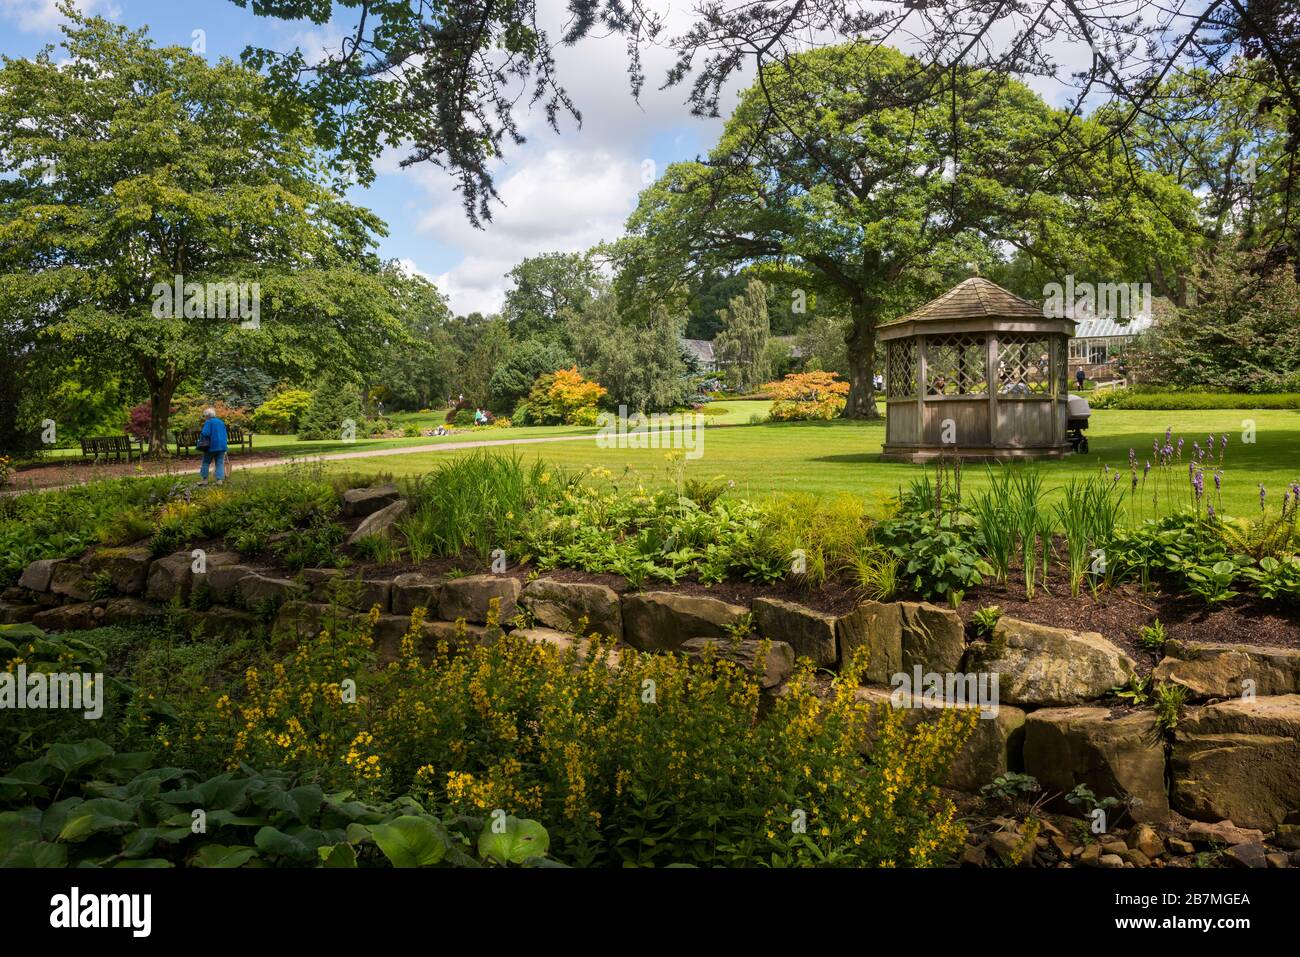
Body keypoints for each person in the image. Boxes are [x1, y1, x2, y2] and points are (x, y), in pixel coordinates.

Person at [196, 407, 229, 486]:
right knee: (219, 463)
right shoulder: (221, 422)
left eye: (205, 416)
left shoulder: (208, 422)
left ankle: (204, 480)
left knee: (206, 462)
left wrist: (200, 440)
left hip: (211, 446)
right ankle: (219, 481)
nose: (205, 417)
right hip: (222, 446)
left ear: (207, 415)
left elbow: (205, 433)